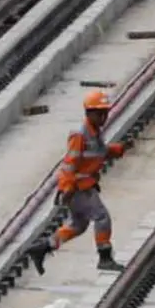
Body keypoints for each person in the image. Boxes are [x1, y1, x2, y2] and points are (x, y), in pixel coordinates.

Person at [28, 89, 128, 274]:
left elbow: (97, 153)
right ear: (89, 113)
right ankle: (105, 258)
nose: (104, 117)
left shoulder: (94, 132)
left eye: (105, 113)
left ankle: (43, 247)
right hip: (77, 188)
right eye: (100, 113)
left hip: (81, 187)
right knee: (101, 217)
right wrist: (66, 188)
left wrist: (117, 150)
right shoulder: (80, 134)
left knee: (78, 225)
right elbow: (69, 164)